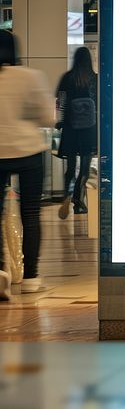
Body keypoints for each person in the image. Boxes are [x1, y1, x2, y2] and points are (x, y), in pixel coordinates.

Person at [0, 30, 54, 298]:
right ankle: (31, 276)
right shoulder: (30, 77)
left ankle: (1, 273)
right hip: (29, 151)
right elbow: (48, 117)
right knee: (31, 214)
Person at [55, 47, 98, 219]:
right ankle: (78, 201)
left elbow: (61, 102)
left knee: (71, 167)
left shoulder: (67, 77)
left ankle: (66, 194)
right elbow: (100, 103)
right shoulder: (94, 79)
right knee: (85, 168)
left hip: (71, 127)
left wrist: (62, 120)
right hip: (89, 128)